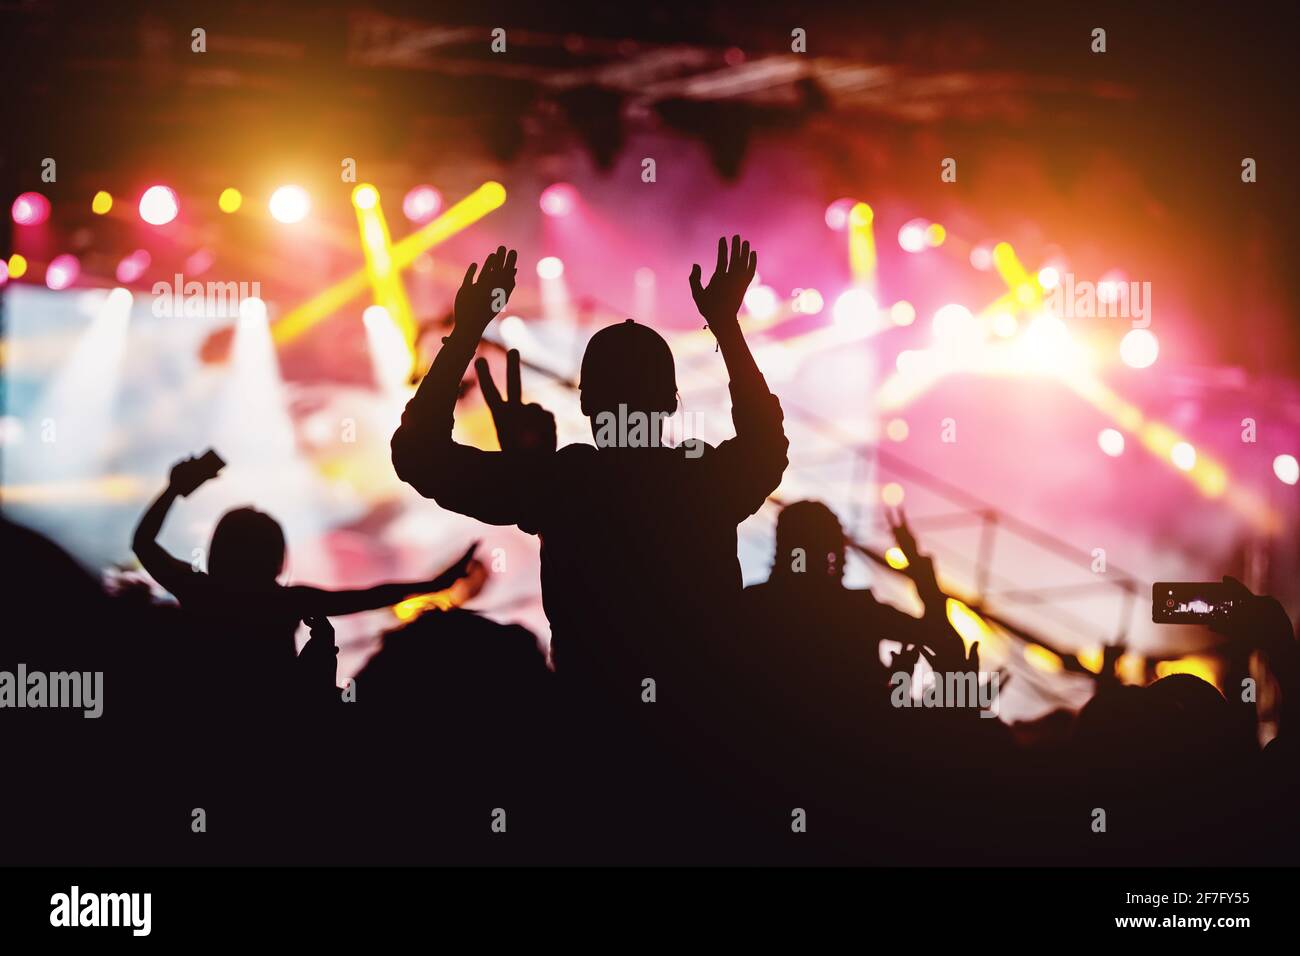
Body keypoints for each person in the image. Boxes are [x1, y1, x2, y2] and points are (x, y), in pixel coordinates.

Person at [391, 238, 788, 702]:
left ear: (585, 402)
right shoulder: (703, 478)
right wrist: (726, 327)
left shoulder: (560, 483)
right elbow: (765, 442)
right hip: (704, 726)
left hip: (594, 723)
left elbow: (418, 455)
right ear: (668, 401)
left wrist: (465, 334)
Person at [132, 453, 477, 703]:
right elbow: (368, 597)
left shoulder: (200, 590)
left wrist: (173, 489)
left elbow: (143, 544)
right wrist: (434, 585)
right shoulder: (285, 601)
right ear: (276, 556)